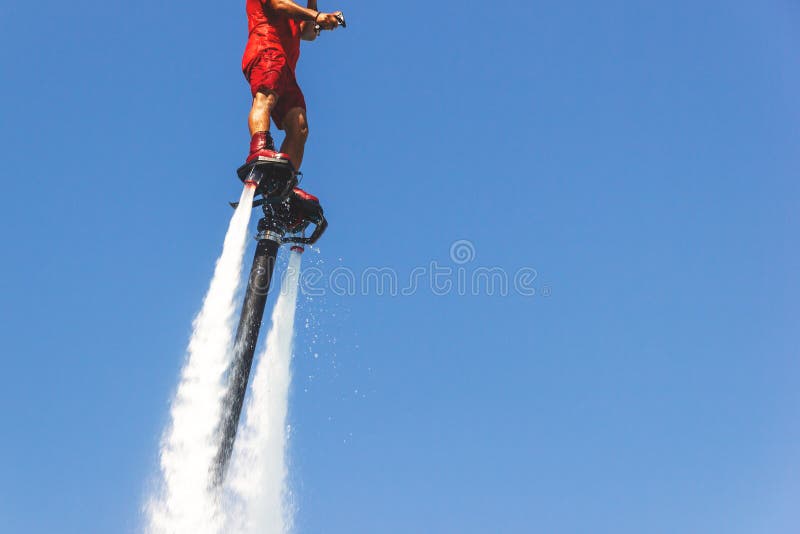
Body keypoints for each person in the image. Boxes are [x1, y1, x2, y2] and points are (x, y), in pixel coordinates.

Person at [243, 0, 342, 171]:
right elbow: (279, 4)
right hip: (267, 50)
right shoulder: (284, 4)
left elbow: (308, 33)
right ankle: (259, 149)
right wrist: (317, 16)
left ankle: (284, 179)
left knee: (299, 125)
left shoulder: (292, 10)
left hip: (287, 67)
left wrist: (313, 6)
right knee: (266, 97)